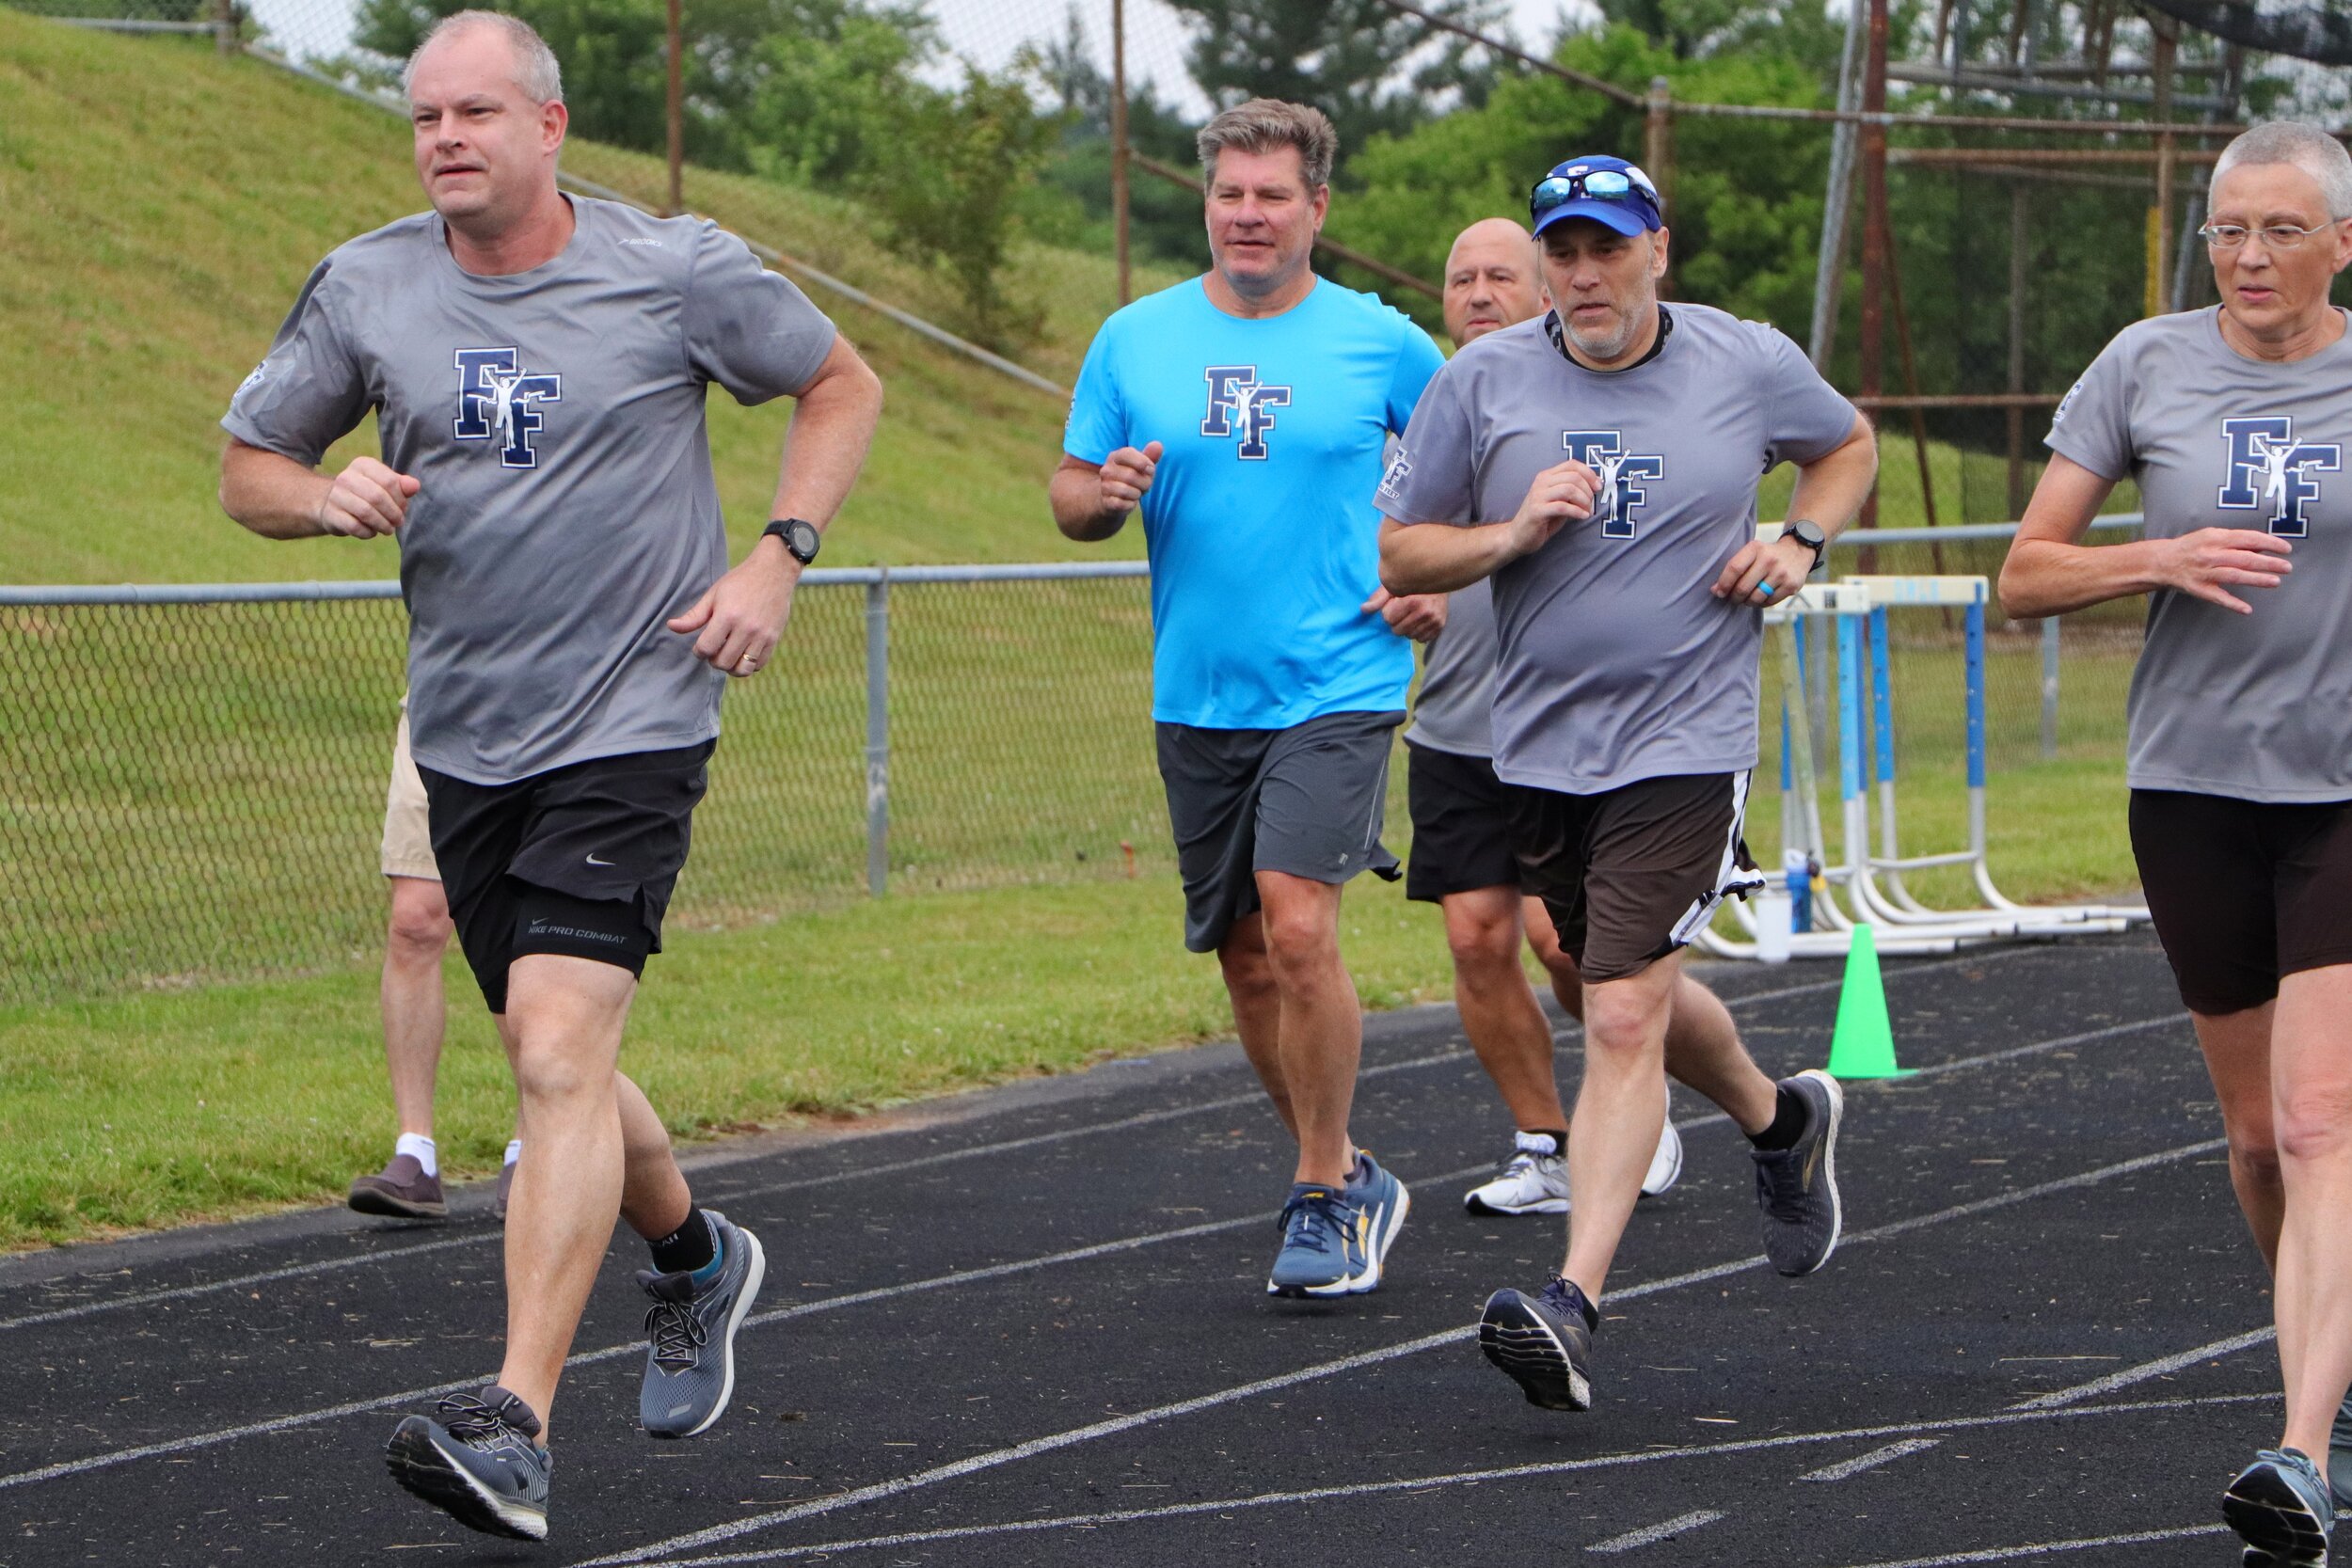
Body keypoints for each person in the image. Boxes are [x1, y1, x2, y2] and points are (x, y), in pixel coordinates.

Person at [218, 11, 882, 1539]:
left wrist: (779, 556)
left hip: (639, 713)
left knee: (555, 1045)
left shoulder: (677, 268)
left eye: (476, 113)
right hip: (465, 731)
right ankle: (698, 1255)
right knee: (550, 1045)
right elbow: (246, 466)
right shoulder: (369, 282)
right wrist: (318, 498)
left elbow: (840, 384)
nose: (446, 138)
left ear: (551, 124)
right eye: (424, 117)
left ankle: (515, 1415)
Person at [1377, 154, 1878, 1414]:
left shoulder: (1744, 359)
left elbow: (1846, 443)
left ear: (1661, 246)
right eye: (1564, 250)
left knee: (1614, 1017)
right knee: (1620, 989)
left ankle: (1571, 1301)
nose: (1583, 274)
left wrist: (1798, 539)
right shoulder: (1482, 379)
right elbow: (1403, 541)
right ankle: (1781, 1121)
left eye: (1607, 247)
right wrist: (1508, 534)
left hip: (1686, 743)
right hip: (1536, 748)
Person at [1998, 120, 2352, 1566]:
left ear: (2342, 241)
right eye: (2228, 231)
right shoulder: (2142, 363)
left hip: (2342, 786)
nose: (2251, 258)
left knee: (2327, 1116)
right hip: (2193, 786)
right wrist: (2155, 553)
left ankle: (2303, 1440)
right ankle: (2328, 1358)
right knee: (2260, 1137)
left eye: (2280, 230)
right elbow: (2023, 577)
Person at [1052, 99, 1448, 1299]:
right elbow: (1069, 492)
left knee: (1299, 919)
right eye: (1229, 193)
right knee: (1243, 959)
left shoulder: (1382, 343)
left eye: (1272, 195)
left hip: (1339, 674)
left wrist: (1443, 587)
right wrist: (1104, 491)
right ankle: (1346, 1167)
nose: (1248, 214)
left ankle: (1322, 1189)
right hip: (1200, 686)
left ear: (1316, 208)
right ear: (1206, 201)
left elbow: (1471, 460)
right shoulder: (1134, 337)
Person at [1411, 216, 1684, 1219]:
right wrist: (1406, 599)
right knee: (1477, 938)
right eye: (1459, 277)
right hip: (1457, 721)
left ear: (1543, 294)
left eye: (1499, 275)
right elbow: (1392, 549)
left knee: (1569, 945)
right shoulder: (1430, 410)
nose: (1477, 293)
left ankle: (1640, 1090)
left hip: (1579, 727)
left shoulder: (1579, 393)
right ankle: (1547, 1138)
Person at [345, 697, 524, 1223]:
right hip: (443, 693)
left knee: (531, 921)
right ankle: (415, 1154)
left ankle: (535, 1144)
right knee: (415, 921)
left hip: (554, 699)